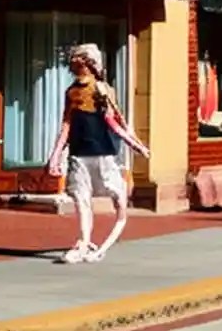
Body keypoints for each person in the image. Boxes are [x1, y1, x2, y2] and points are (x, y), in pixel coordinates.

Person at [45, 44, 150, 264]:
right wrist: (55, 156)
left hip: (102, 153)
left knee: (117, 199)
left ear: (87, 62)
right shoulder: (71, 92)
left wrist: (136, 145)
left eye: (77, 59)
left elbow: (114, 122)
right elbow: (66, 124)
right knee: (81, 198)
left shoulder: (102, 90)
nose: (72, 63)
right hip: (78, 153)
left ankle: (101, 244)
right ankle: (84, 242)